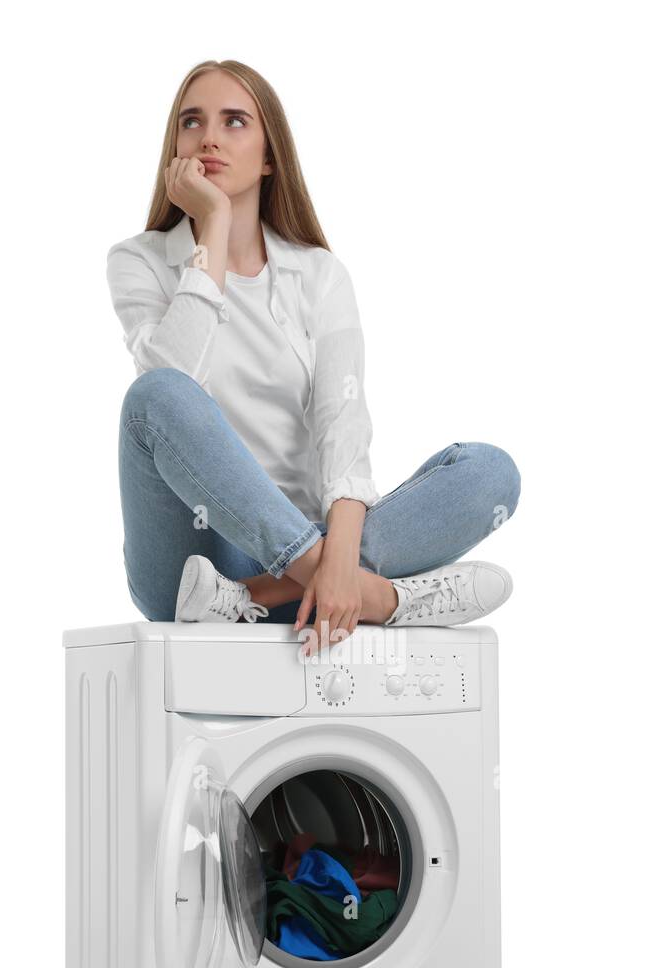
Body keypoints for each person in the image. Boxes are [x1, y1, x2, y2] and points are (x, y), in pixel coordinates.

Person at [107, 59, 521, 655]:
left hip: (294, 536)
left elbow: (341, 431)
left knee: (493, 472)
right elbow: (175, 383)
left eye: (235, 121)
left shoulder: (319, 274)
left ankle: (255, 596)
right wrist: (214, 226)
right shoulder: (138, 261)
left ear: (271, 156)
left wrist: (336, 550)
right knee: (154, 397)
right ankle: (384, 598)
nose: (210, 137)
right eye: (192, 122)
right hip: (192, 558)